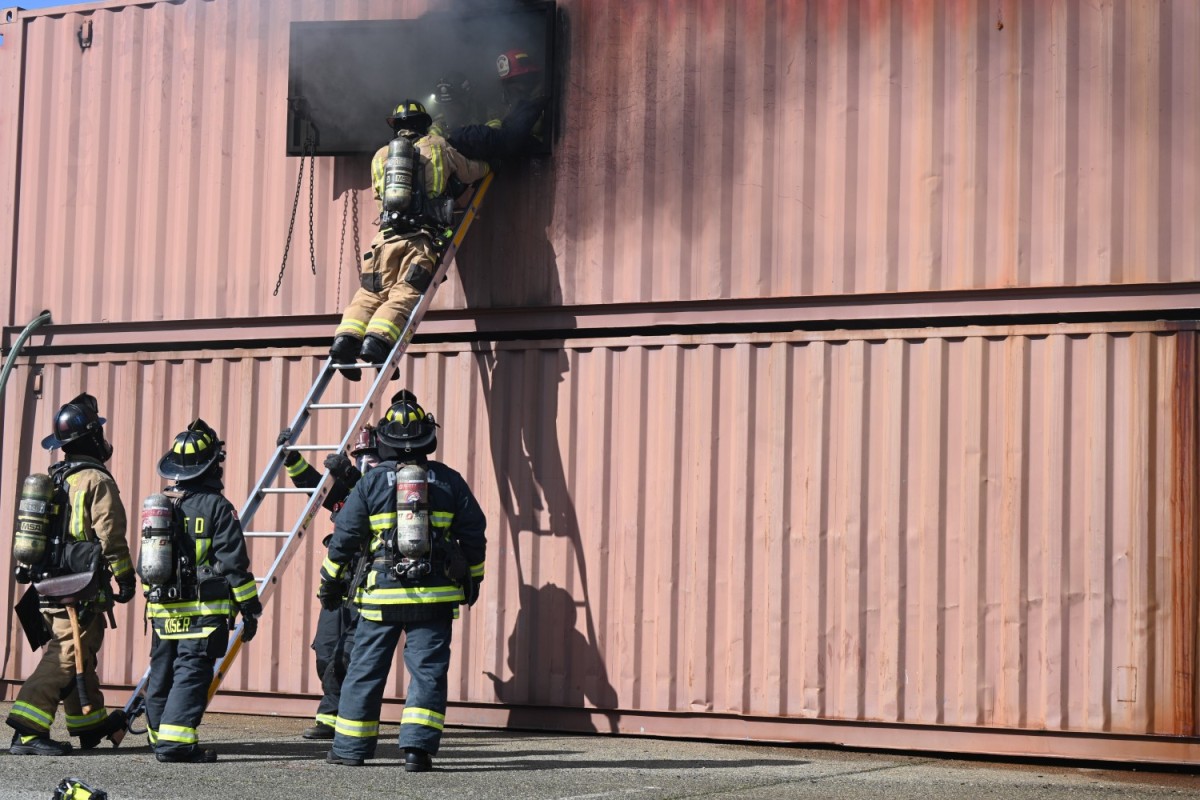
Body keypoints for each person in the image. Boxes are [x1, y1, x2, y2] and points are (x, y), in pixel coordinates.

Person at [320, 393, 486, 770]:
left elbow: (344, 537)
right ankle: (417, 750)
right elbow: (475, 534)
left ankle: (349, 749)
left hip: (381, 598)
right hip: (436, 598)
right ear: (429, 438)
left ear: (386, 440)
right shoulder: (448, 481)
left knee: (365, 670)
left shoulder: (372, 483)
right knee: (427, 671)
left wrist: (329, 583)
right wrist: (472, 579)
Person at [6, 393, 135, 755]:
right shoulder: (96, 480)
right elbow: (110, 534)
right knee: (65, 653)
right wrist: (126, 578)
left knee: (81, 653)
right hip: (79, 586)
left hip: (48, 583)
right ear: (92, 438)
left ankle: (88, 723)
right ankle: (27, 731)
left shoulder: (57, 477)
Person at [328, 100, 491, 381]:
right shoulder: (438, 145)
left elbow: (380, 199)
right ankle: (377, 344)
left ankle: (344, 342)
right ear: (423, 123)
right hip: (421, 238)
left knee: (370, 294)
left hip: (384, 240)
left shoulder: (380, 156)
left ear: (397, 126)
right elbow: (469, 172)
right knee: (404, 293)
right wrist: (490, 164)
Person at [143, 418, 262, 763]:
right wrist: (250, 609)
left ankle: (159, 735)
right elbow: (233, 565)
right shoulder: (218, 508)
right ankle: (176, 742)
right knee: (192, 671)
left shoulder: (162, 508)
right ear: (211, 465)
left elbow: (144, 566)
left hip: (163, 612)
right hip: (204, 613)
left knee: (162, 671)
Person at [276, 422, 381, 739]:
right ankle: (331, 718)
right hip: (340, 582)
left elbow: (375, 510)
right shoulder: (348, 488)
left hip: (372, 581)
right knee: (326, 652)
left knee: (352, 654)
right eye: (362, 458)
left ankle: (344, 720)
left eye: (372, 458)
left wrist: (351, 476)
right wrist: (290, 458)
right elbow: (315, 488)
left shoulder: (389, 489)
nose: (367, 464)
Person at [447, 49, 548, 165]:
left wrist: (460, 137)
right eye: (507, 83)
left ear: (528, 79)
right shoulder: (518, 104)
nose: (510, 89)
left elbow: (511, 138)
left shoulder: (539, 101)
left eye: (513, 82)